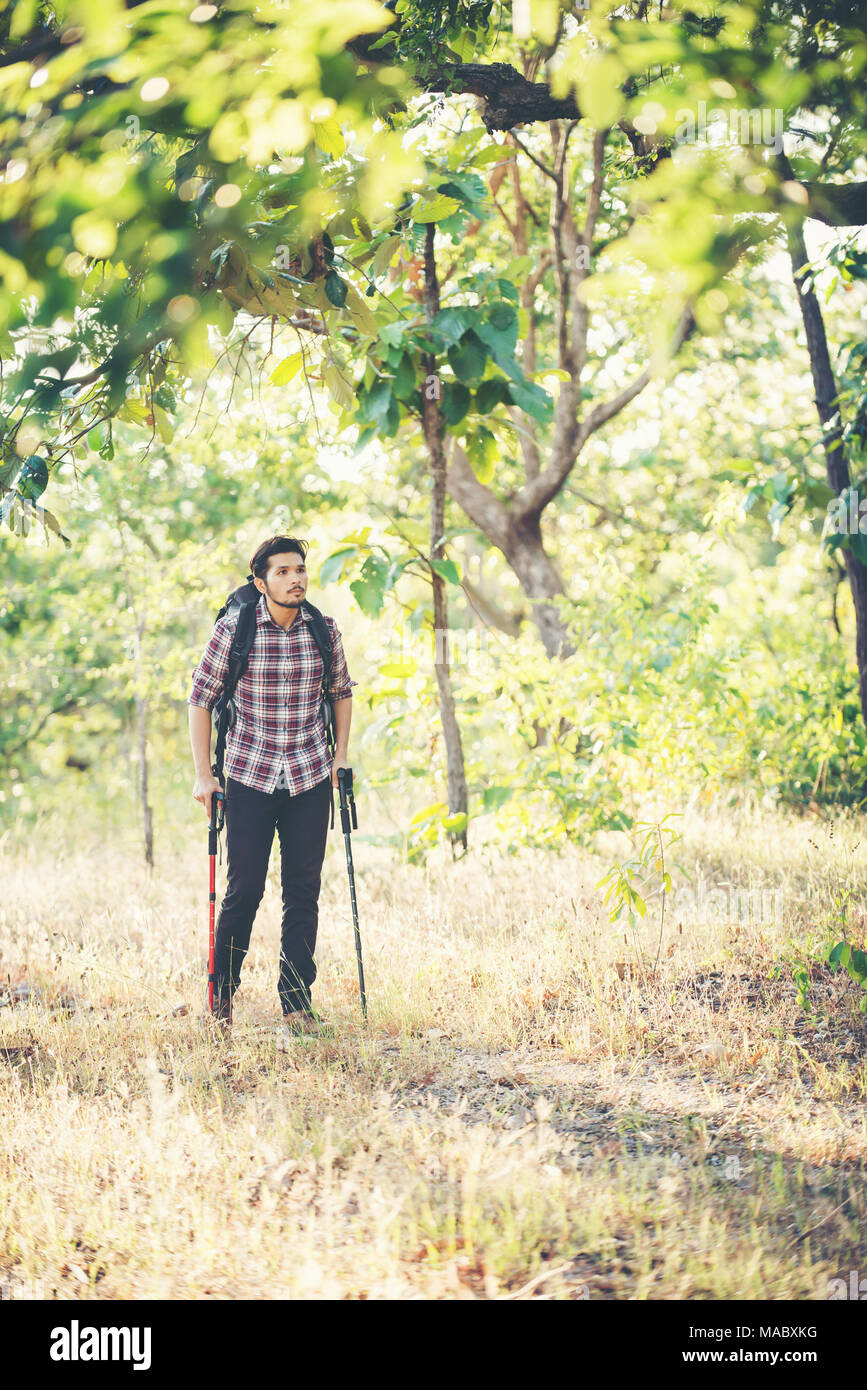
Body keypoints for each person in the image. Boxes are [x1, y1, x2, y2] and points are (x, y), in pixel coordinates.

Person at [187, 535, 357, 1038]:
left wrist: (340, 756)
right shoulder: (235, 630)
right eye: (283, 571)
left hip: (308, 774)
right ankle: (221, 999)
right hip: (248, 775)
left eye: (300, 569)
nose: (296, 578)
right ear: (261, 583)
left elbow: (341, 692)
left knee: (303, 893)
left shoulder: (324, 632)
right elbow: (200, 698)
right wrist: (203, 774)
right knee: (244, 891)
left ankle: (297, 1005)